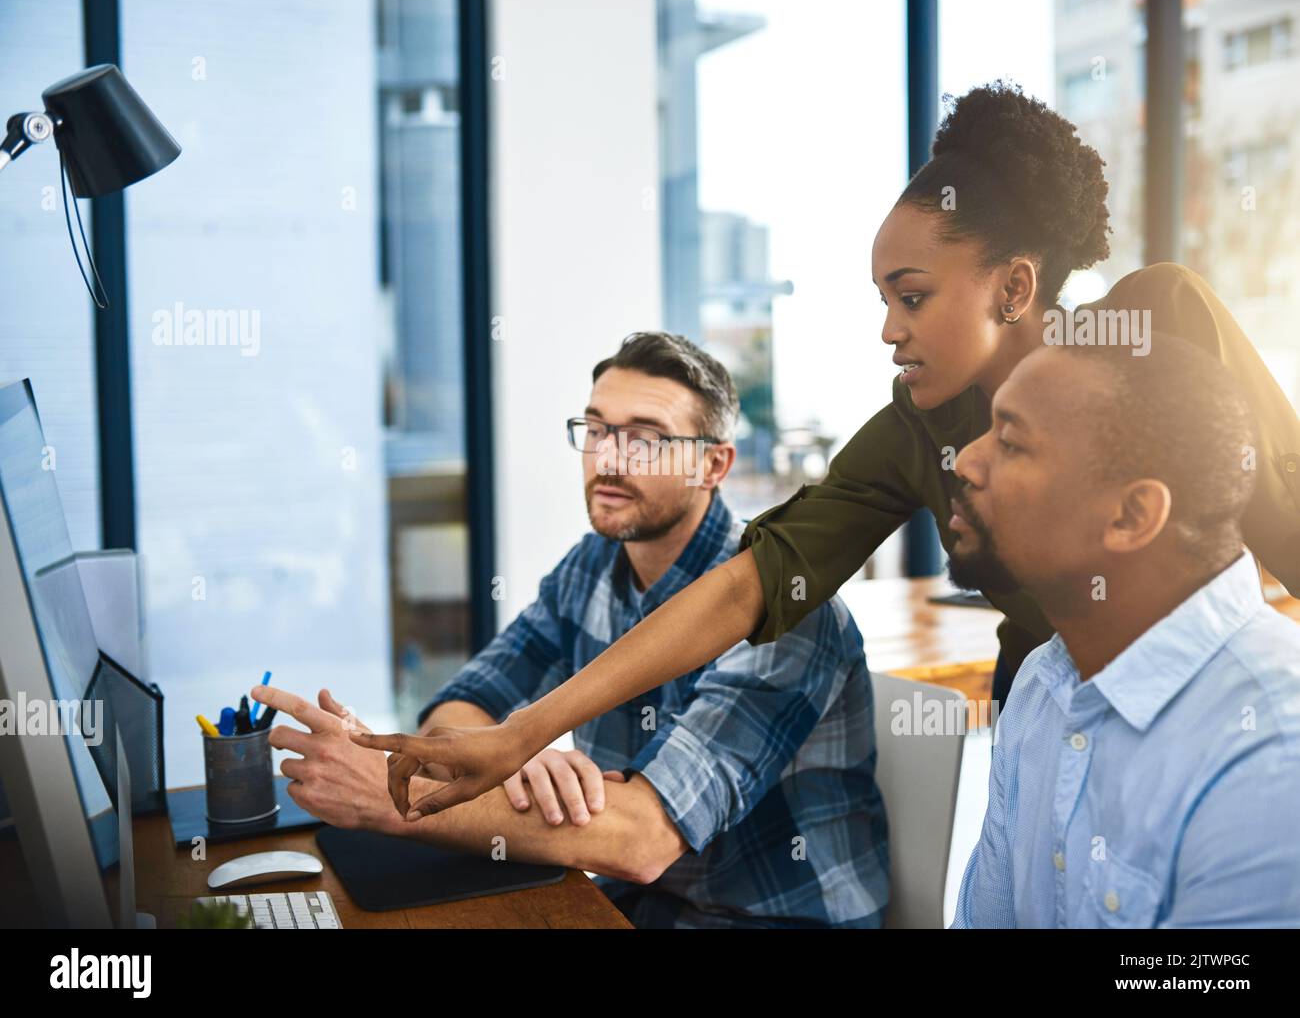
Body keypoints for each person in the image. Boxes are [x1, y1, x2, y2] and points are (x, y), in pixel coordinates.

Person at [346, 81, 1300, 816]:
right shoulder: (914, 427)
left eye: (912, 296)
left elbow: (1286, 517)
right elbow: (752, 582)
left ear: (1014, 287)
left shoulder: (1155, 324)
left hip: (1206, 720)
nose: (889, 329)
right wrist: (522, 734)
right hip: (1046, 729)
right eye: (882, 299)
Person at [257, 333, 890, 928]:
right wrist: (512, 760)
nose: (608, 458)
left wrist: (394, 798)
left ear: (714, 465)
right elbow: (466, 703)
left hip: (768, 918)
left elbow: (641, 837)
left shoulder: (786, 609)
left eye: (645, 438)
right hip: (631, 906)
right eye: (596, 429)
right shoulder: (590, 569)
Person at [948, 336, 1300, 927]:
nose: (965, 461)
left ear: (1132, 516)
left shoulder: (1272, 749)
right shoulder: (1043, 684)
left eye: (1010, 441)